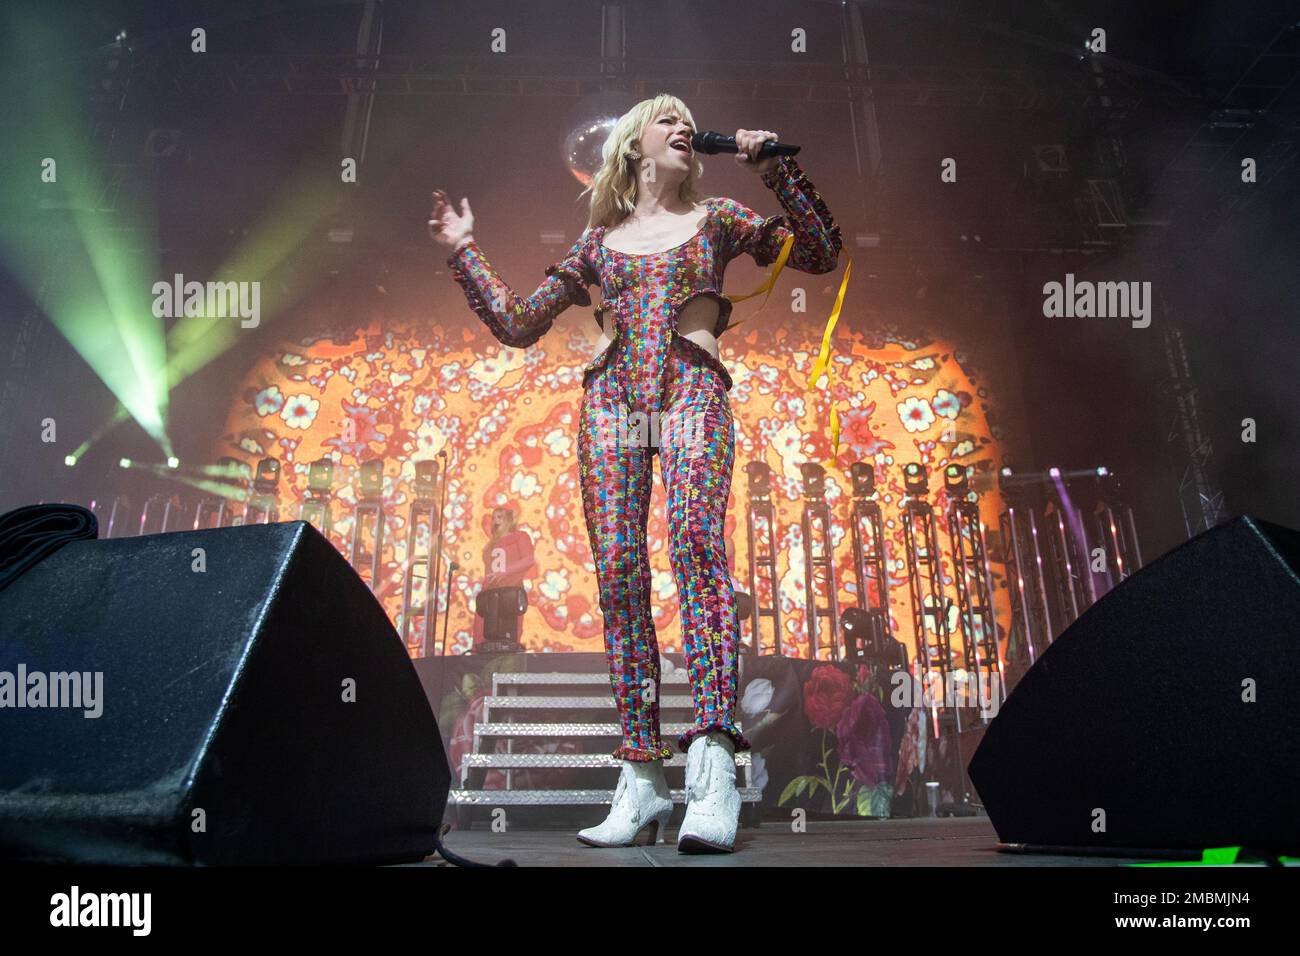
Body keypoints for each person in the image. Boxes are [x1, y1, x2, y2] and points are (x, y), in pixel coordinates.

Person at [430, 93, 841, 852]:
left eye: (690, 120)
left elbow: (818, 251)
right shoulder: (599, 240)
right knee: (619, 573)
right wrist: (465, 250)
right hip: (613, 400)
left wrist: (778, 169)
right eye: (667, 120)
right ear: (633, 147)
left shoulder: (718, 216)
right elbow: (520, 324)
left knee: (693, 544)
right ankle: (643, 776)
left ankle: (714, 762)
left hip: (690, 388)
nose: (684, 127)